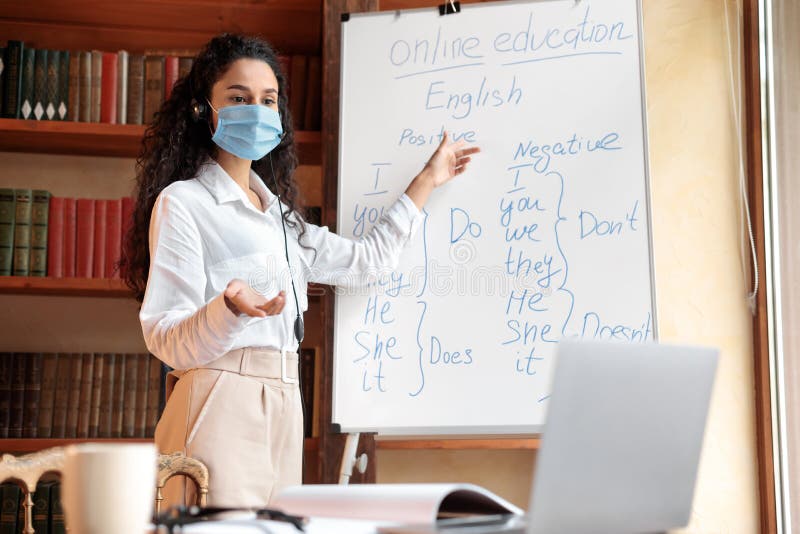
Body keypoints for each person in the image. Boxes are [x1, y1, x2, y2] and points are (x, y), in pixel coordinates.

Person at [121, 33, 479, 509]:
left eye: (268, 101)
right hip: (220, 398)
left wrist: (427, 181)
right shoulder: (184, 203)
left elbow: (366, 262)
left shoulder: (282, 221)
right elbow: (165, 337)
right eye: (239, 98)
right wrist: (228, 310)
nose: (257, 110)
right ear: (203, 109)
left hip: (288, 401)